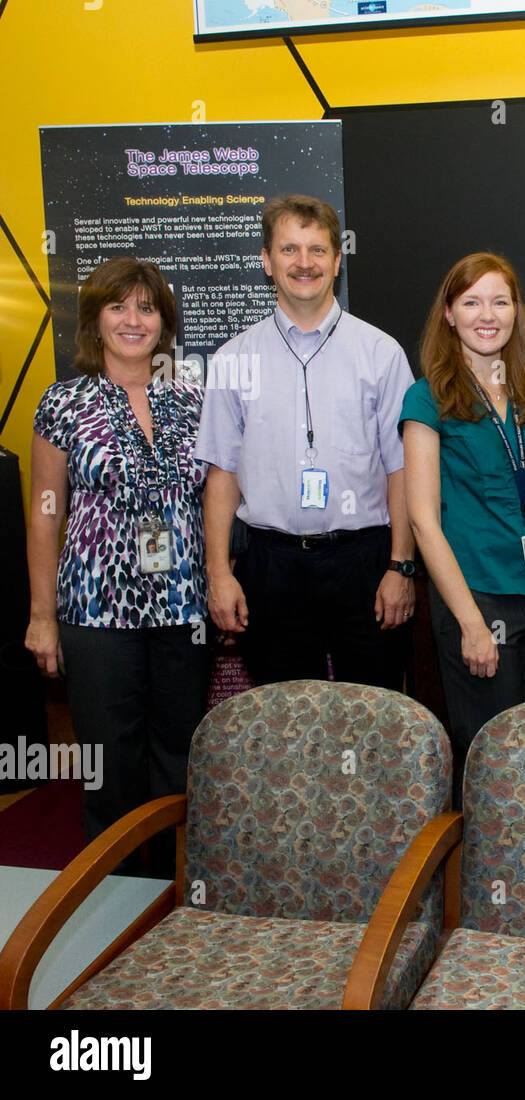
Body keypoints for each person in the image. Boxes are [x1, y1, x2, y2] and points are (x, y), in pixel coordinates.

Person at [25, 257, 210, 853]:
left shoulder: (195, 398)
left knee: (179, 759)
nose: (133, 320)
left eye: (147, 308)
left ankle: (175, 888)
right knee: (108, 764)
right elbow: (45, 513)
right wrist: (42, 616)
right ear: (95, 320)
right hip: (95, 611)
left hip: (184, 609)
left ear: (164, 323)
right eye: (118, 306)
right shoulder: (63, 402)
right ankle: (117, 892)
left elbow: (220, 498)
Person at [195, 195, 416, 690]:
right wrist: (218, 574)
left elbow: (401, 469)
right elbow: (222, 475)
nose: (304, 263)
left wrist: (401, 566)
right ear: (266, 261)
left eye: (317, 250)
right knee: (285, 717)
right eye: (289, 249)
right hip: (271, 567)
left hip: (364, 563)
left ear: (337, 261)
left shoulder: (381, 354)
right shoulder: (233, 359)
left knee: (372, 712)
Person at [401, 252, 525, 798]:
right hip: (476, 600)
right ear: (449, 314)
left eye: (500, 302)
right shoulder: (427, 399)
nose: (487, 315)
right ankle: (486, 858)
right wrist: (472, 624)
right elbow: (423, 521)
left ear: (516, 312)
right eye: (471, 302)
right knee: (493, 765)